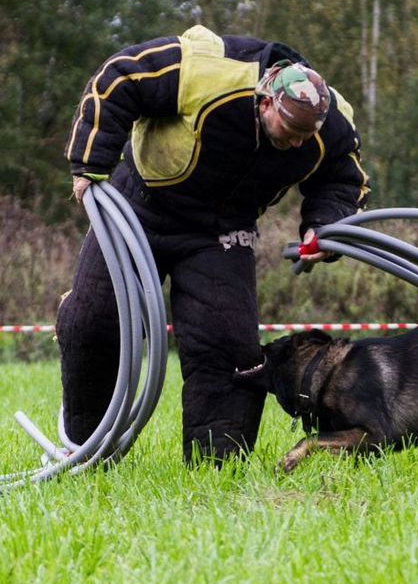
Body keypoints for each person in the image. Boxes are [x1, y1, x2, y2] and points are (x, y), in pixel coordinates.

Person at [58, 24, 370, 463]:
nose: (299, 141)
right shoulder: (206, 70)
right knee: (93, 322)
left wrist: (324, 226)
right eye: (291, 129)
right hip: (140, 205)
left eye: (308, 134)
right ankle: (84, 452)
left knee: (231, 353)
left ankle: (216, 468)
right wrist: (89, 164)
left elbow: (343, 179)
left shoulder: (330, 123)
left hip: (222, 230)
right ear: (266, 101)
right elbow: (118, 78)